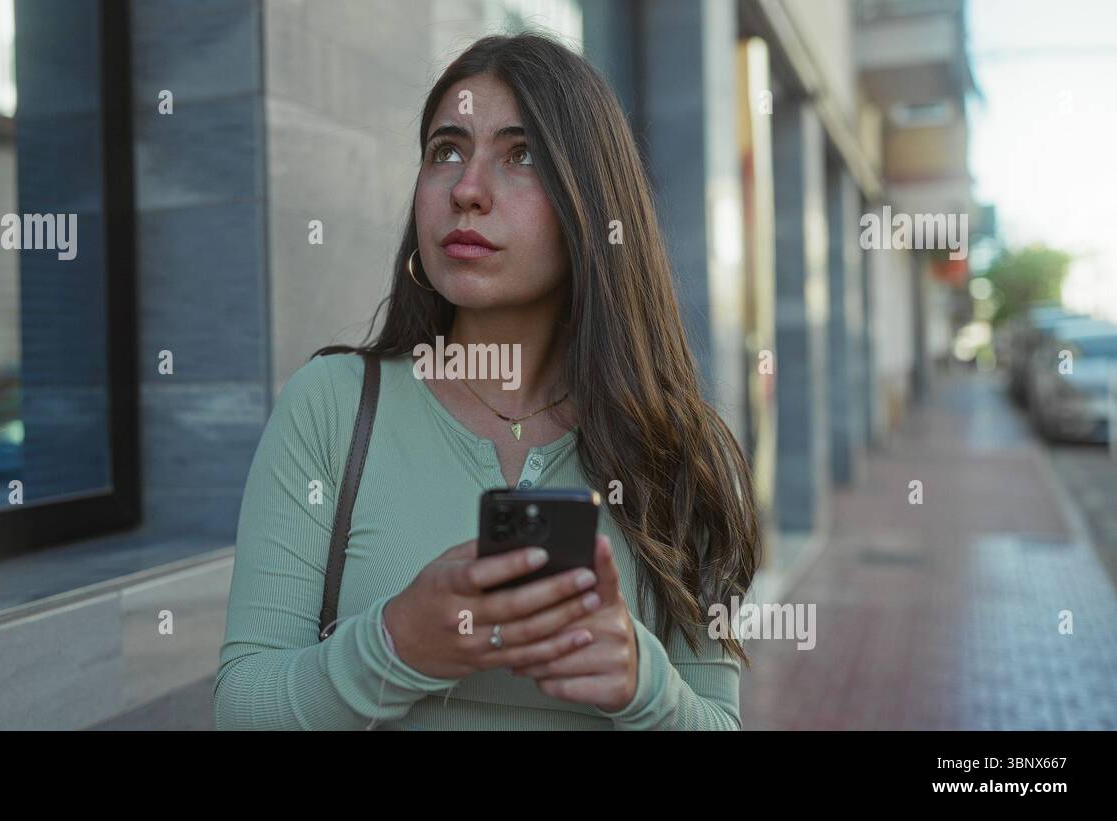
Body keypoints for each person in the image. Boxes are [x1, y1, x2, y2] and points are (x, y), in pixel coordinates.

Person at [215, 33, 762, 730]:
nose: (467, 190)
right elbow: (241, 706)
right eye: (446, 150)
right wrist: (393, 646)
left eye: (521, 155)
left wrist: (643, 684)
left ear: (589, 204)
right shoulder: (330, 406)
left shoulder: (677, 447)